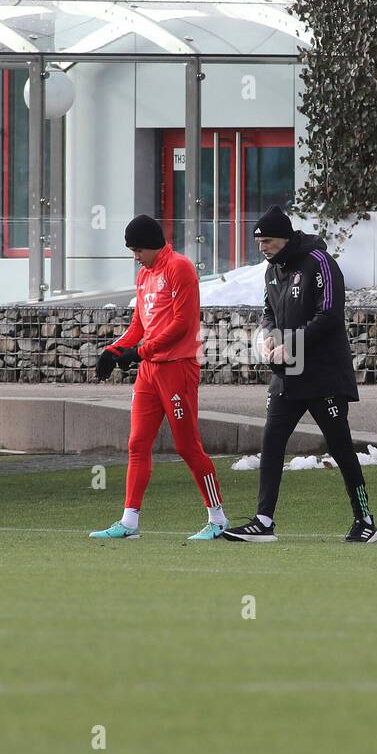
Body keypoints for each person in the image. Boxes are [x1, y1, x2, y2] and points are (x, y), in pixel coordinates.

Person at [222, 205, 377, 544]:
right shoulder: (271, 271)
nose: (263, 249)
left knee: (340, 447)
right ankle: (264, 521)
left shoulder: (319, 262)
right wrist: (269, 336)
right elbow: (269, 311)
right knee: (272, 442)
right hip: (287, 375)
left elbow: (330, 315)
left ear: (286, 238)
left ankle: (365, 519)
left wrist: (291, 343)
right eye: (259, 243)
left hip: (323, 374)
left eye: (269, 242)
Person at [89, 214, 227, 541]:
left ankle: (218, 519)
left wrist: (139, 352)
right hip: (150, 372)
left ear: (152, 246)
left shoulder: (179, 268)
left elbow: (182, 323)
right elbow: (139, 324)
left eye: (138, 250)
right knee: (137, 443)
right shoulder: (145, 275)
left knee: (187, 446)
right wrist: (114, 350)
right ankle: (129, 523)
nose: (135, 257)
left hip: (177, 369)